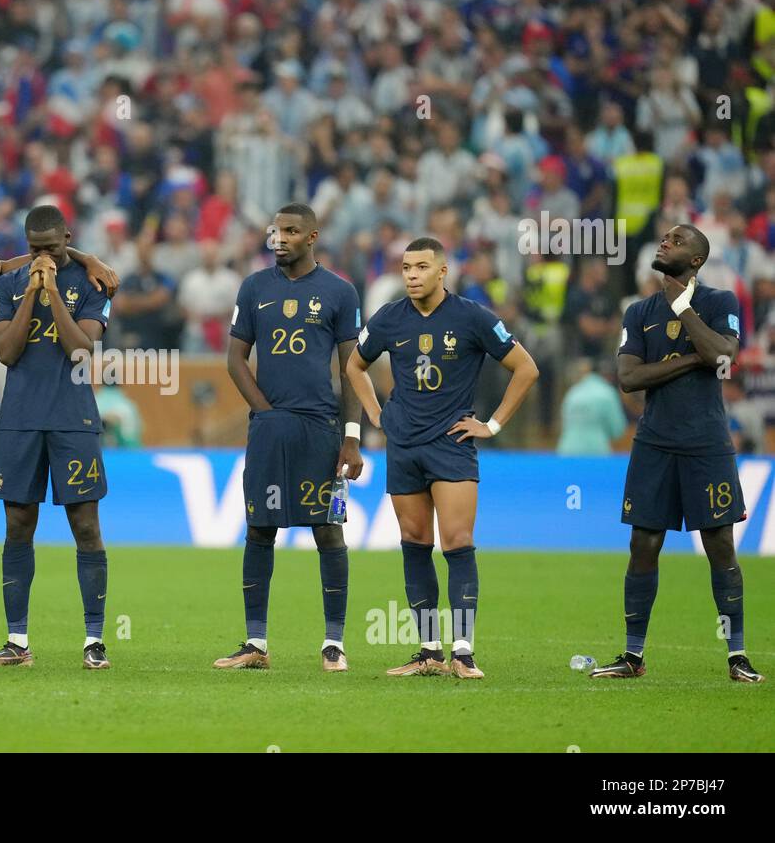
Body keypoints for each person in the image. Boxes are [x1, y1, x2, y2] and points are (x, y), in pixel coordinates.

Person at [346, 237, 539, 679]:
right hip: (404, 446)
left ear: (442, 271)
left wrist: (491, 425)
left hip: (451, 445)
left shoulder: (472, 317)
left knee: (456, 541)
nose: (411, 275)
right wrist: (376, 414)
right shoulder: (390, 318)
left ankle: (464, 651)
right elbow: (354, 365)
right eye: (406, 267)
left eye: (420, 267)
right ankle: (430, 650)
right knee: (414, 542)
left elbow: (526, 368)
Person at [592, 224, 763, 682]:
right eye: (665, 237)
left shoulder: (719, 302)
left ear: (696, 261)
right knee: (643, 546)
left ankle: (737, 656)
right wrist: (690, 359)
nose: (665, 241)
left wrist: (683, 308)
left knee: (720, 547)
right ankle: (632, 656)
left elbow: (725, 357)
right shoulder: (638, 312)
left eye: (678, 240)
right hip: (654, 443)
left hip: (707, 443)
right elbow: (629, 378)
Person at [217, 203, 364, 672]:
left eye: (291, 231)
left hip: (321, 429)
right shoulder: (254, 287)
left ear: (312, 237)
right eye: (275, 231)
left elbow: (351, 368)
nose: (279, 239)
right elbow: (235, 359)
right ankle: (255, 644)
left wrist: (352, 435)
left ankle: (334, 644)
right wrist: (264, 412)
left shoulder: (340, 292)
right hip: (269, 428)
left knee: (328, 529)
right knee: (260, 527)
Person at [0, 205, 113, 669]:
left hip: (73, 419)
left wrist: (53, 290)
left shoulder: (94, 282)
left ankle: (94, 640)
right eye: (35, 249)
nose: (43, 258)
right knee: (17, 526)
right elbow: (6, 352)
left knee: (85, 526)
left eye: (52, 248)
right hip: (19, 419)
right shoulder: (7, 283)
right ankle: (17, 642)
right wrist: (30, 293)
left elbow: (80, 348)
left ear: (67, 239)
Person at [556, 359, 627, 456]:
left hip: (567, 450)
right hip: (596, 450)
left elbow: (564, 424)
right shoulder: (607, 392)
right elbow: (617, 429)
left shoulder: (572, 392)